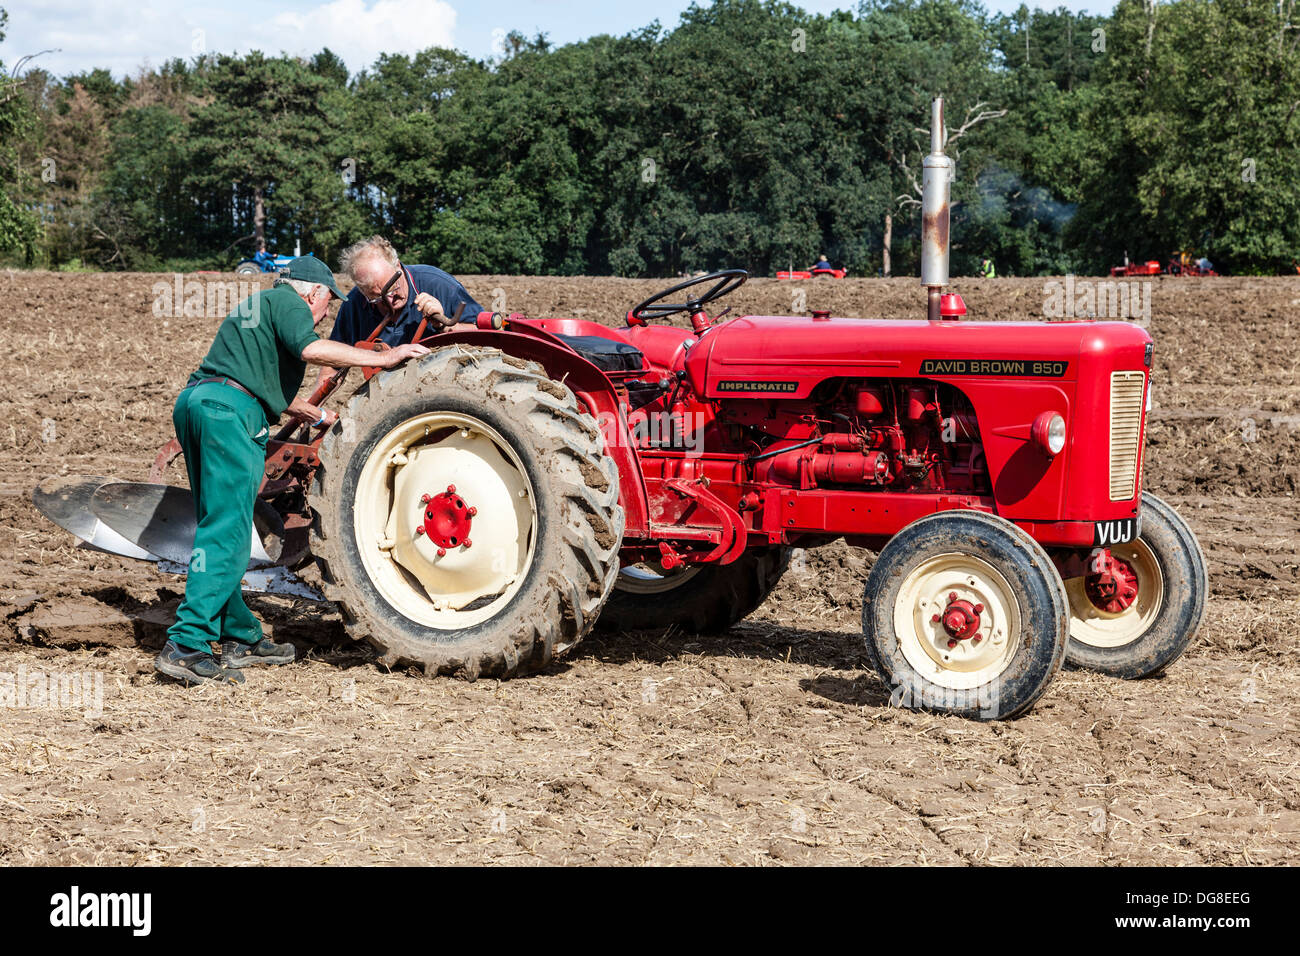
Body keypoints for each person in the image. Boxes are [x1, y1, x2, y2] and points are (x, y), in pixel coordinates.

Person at [154, 255, 430, 686]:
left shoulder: (257, 306)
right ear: (313, 292)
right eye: (327, 304)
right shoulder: (289, 303)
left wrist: (317, 416)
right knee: (226, 530)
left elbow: (254, 378)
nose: (324, 316)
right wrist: (387, 356)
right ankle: (186, 644)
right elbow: (311, 349)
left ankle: (239, 635)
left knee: (223, 524)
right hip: (231, 415)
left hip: (199, 403)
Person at [316, 237, 481, 388]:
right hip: (392, 392)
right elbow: (334, 364)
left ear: (398, 266)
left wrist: (443, 326)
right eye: (377, 297)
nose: (390, 298)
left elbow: (483, 336)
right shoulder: (354, 303)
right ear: (362, 291)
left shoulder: (439, 285)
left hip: (451, 384)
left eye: (393, 286)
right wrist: (311, 413)